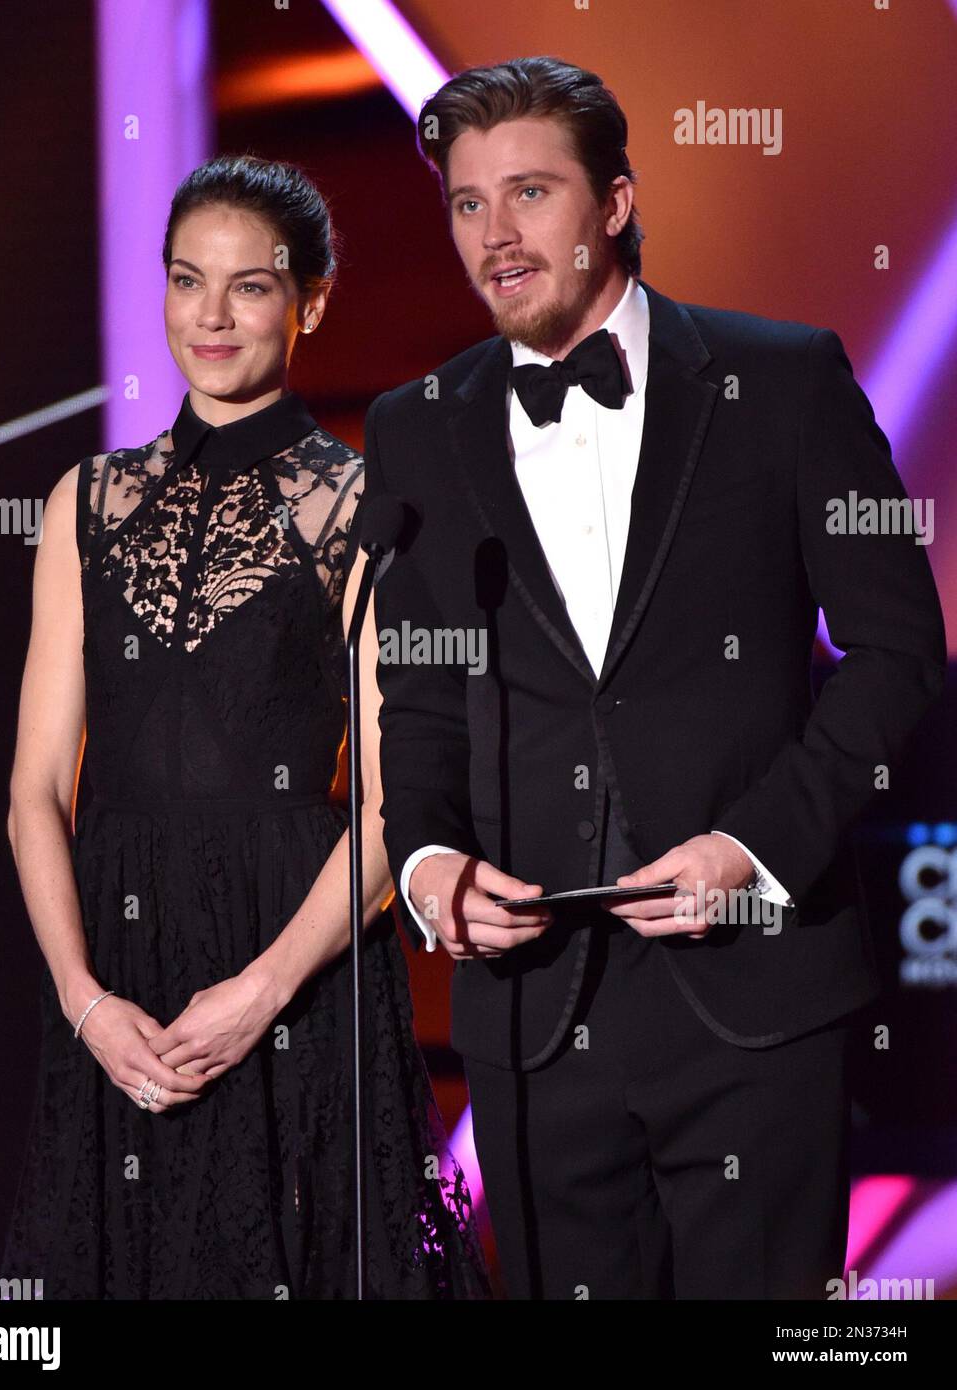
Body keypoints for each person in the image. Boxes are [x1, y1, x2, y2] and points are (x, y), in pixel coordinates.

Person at [360, 57, 946, 1299]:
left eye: (528, 194)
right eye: (467, 204)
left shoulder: (784, 381)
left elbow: (899, 654)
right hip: (528, 1014)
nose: (494, 236)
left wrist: (754, 845)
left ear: (615, 203)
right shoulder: (416, 424)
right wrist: (426, 868)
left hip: (753, 994)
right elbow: (415, 695)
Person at [0, 153, 489, 1300]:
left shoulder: (367, 506)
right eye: (185, 280)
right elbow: (31, 790)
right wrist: (84, 1002)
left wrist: (261, 993)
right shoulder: (87, 499)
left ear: (311, 301)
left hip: (294, 965)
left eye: (249, 286)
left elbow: (389, 800)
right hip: (116, 967)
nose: (210, 316)